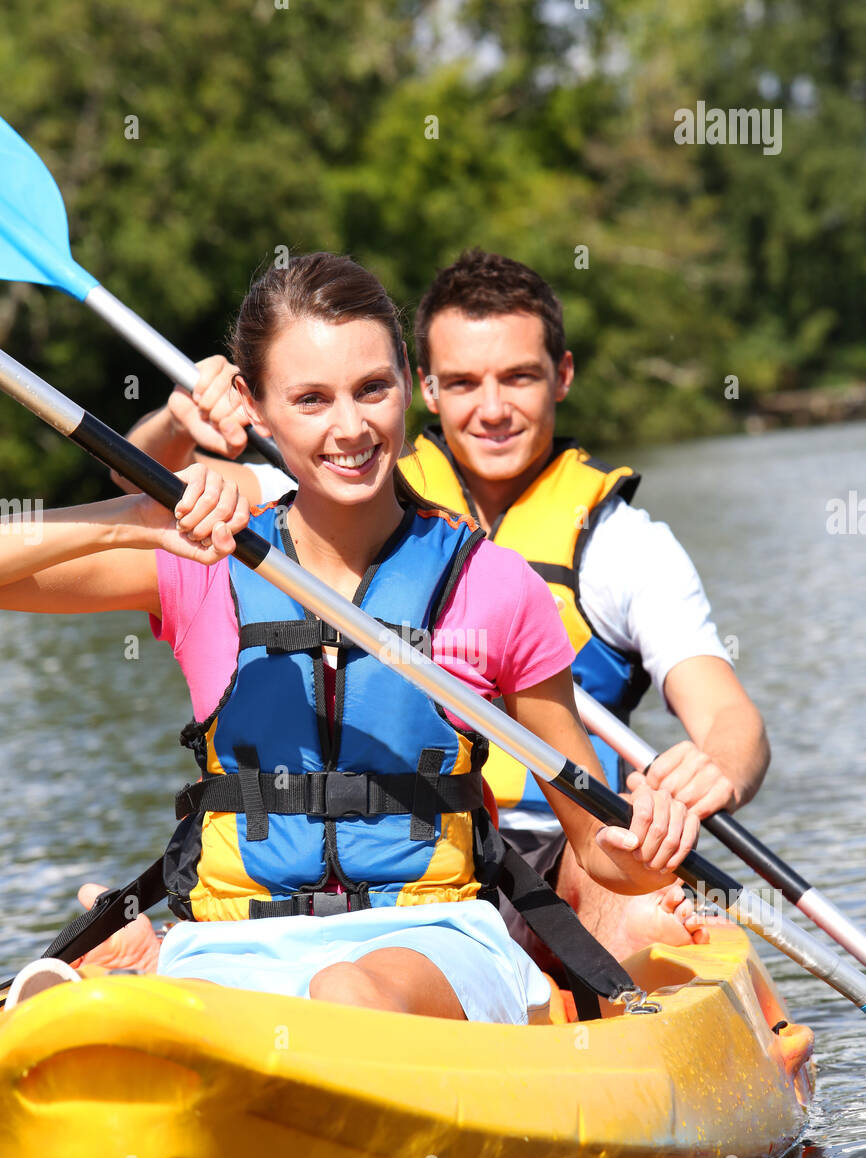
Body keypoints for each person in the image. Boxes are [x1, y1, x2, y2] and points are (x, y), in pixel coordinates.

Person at [0, 253, 701, 1023]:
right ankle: (136, 995)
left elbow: (594, 845)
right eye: (310, 399)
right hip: (233, 948)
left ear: (408, 381)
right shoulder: (201, 561)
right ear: (254, 409)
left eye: (373, 388)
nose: (351, 426)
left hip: (438, 941)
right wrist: (137, 518)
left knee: (346, 990)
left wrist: (638, 857)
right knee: (113, 1014)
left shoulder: (496, 587)